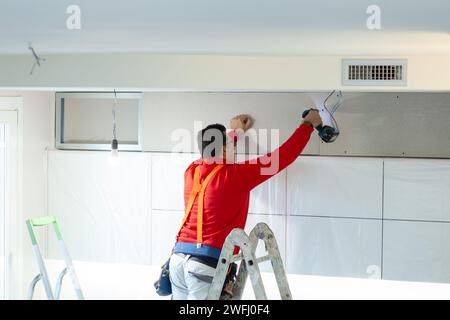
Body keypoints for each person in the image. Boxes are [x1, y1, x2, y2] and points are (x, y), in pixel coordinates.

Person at [169, 110, 322, 299]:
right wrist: (308, 125)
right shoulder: (236, 176)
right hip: (205, 264)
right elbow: (283, 156)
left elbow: (212, 149)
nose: (236, 149)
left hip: (177, 260)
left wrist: (238, 132)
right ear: (224, 150)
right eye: (232, 145)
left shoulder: (191, 171)